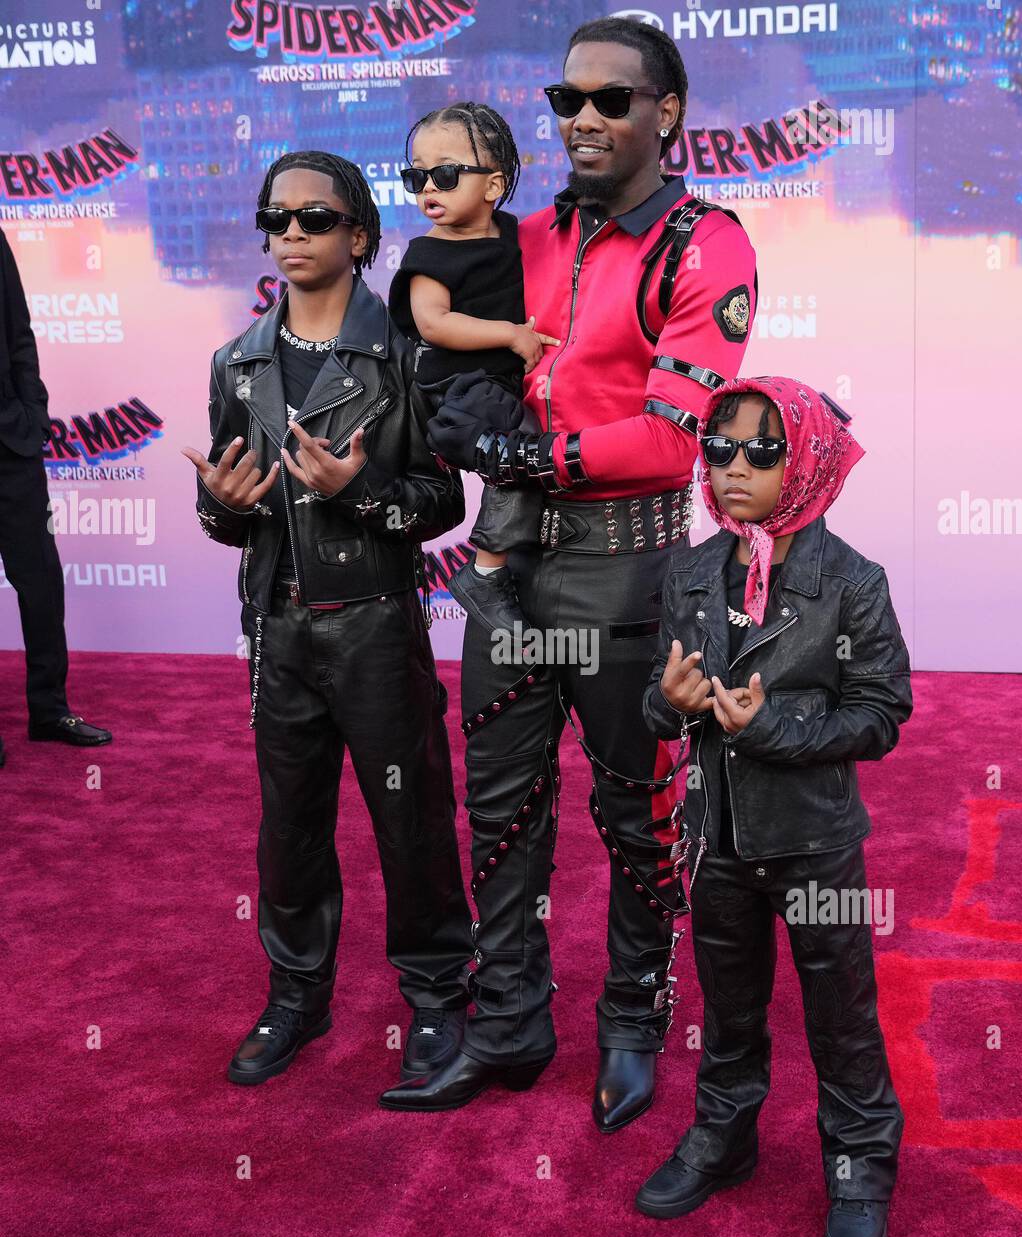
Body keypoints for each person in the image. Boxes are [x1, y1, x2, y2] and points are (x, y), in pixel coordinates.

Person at [378, 16, 758, 1129]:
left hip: (628, 570)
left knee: (636, 813)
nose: (582, 118)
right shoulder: (522, 233)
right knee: (498, 799)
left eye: (610, 100)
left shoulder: (705, 243)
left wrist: (526, 453)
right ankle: (508, 1020)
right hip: (505, 565)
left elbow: (672, 437)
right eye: (566, 100)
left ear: (665, 112)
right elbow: (436, 343)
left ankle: (633, 1020)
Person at [182, 150, 473, 1086]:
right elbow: (226, 515)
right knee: (289, 825)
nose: (292, 235)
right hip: (277, 626)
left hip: (375, 623)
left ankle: (436, 995)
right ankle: (295, 998)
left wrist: (363, 491)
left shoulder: (405, 349)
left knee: (412, 818)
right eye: (278, 219)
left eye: (315, 219)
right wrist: (223, 507)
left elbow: (442, 505)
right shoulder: (239, 360)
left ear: (358, 235)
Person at [635, 376, 912, 1237]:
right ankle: (723, 1135)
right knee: (729, 1011)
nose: (734, 469)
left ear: (809, 462)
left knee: (841, 1015)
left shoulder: (851, 583)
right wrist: (668, 707)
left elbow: (880, 713)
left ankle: (860, 1165)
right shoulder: (688, 571)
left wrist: (774, 726)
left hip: (817, 848)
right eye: (718, 450)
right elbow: (659, 703)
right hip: (716, 842)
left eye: (763, 449)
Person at [389, 100, 558, 636]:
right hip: (455, 390)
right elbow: (434, 324)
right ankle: (486, 572)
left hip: (499, 385)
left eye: (443, 174)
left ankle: (508, 560)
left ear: (492, 186)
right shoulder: (427, 256)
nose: (428, 190)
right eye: (417, 178)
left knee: (532, 454)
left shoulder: (516, 235)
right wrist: (511, 334)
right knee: (519, 453)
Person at [0, 227, 112, 767]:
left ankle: (49, 709)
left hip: (10, 442)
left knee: (40, 579)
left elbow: (19, 334)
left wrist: (33, 415)